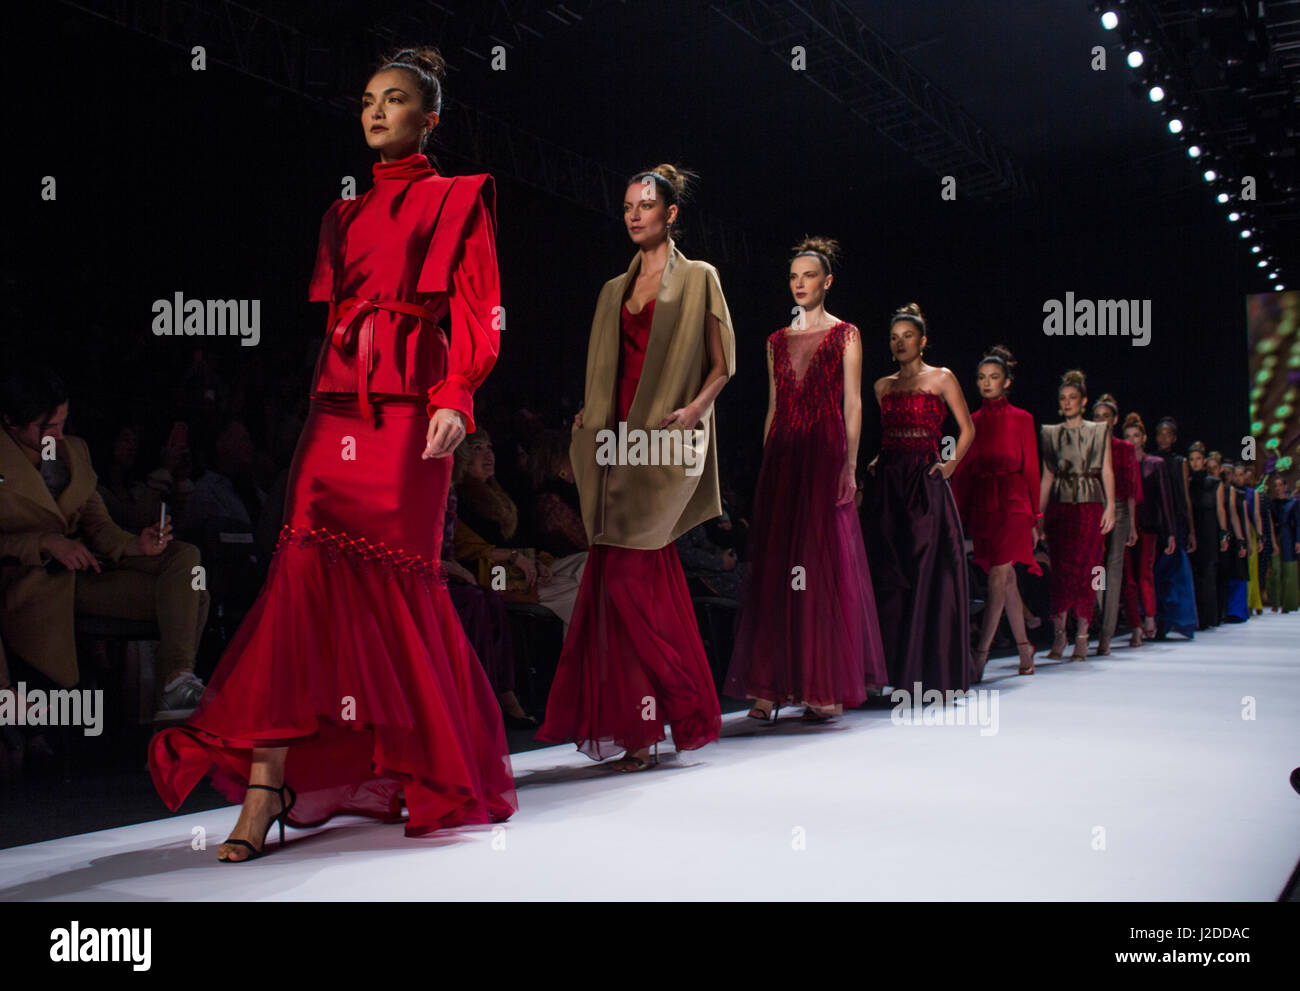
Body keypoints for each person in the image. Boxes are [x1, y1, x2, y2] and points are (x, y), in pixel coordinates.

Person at [148, 46, 518, 861]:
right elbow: (335, 328)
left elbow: (481, 311)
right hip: (335, 415)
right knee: (298, 589)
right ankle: (263, 788)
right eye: (367, 101)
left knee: (398, 588)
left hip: (413, 418)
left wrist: (457, 395)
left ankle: (419, 764)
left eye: (395, 100)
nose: (376, 112)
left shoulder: (460, 200)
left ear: (430, 118)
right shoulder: (342, 216)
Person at [537, 163, 733, 770]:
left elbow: (723, 365)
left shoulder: (700, 277)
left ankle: (678, 703)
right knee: (621, 577)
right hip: (613, 444)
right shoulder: (610, 290)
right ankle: (644, 729)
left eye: (644, 206)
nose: (633, 215)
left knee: (628, 577)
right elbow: (604, 373)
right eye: (626, 207)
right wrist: (586, 424)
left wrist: (694, 411)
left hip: (664, 439)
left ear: (670, 214)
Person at [725, 236, 887, 721]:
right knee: (777, 564)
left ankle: (821, 685)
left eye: (809, 275)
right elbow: (774, 408)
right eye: (794, 276)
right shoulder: (775, 340)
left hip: (824, 452)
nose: (799, 283)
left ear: (827, 281)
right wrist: (766, 464)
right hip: (785, 457)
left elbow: (853, 404)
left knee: (819, 566)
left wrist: (850, 467)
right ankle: (770, 686)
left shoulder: (847, 334)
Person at [1, 366, 210, 714]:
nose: (58, 434)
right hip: (34, 583)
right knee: (197, 600)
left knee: (186, 561)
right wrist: (46, 542)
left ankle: (176, 680)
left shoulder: (73, 452)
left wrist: (136, 545)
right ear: (11, 421)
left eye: (62, 424)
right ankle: (170, 718)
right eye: (47, 426)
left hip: (88, 571)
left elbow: (98, 523)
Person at [862, 303, 975, 692]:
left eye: (907, 336)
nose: (900, 343)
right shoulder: (882, 386)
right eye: (894, 338)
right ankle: (893, 672)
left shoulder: (942, 378)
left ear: (922, 341)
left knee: (929, 570)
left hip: (925, 480)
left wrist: (950, 465)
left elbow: (967, 428)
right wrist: (878, 458)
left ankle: (930, 671)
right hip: (890, 483)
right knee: (892, 574)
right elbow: (890, 433)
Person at [951, 345, 1040, 677]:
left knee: (998, 576)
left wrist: (1036, 516)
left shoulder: (1023, 419)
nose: (987, 383)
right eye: (982, 378)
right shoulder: (971, 423)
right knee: (1007, 580)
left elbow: (1031, 468)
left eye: (994, 378)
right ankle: (1024, 649)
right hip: (984, 507)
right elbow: (963, 473)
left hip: (1014, 504)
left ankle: (980, 654)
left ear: (1007, 382)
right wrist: (958, 516)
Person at [1038, 369, 1115, 660]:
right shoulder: (1050, 433)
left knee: (1089, 569)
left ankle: (1082, 637)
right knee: (1060, 572)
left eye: (1073, 398)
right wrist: (1039, 514)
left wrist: (1109, 506)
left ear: (1083, 400)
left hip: (1090, 504)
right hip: (1059, 505)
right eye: (1063, 398)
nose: (1068, 402)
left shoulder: (1099, 431)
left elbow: (1106, 469)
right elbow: (1047, 476)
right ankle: (1060, 637)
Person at [1091, 394, 1141, 654]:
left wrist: (1132, 523)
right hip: (1092, 508)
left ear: (1115, 419)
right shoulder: (1088, 443)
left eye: (1106, 416)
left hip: (1119, 510)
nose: (1101, 421)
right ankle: (1096, 622)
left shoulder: (1125, 448)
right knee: (1095, 569)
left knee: (1115, 569)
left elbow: (1131, 489)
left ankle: (1106, 636)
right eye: (1097, 416)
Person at [1120, 414, 1176, 646]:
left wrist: (1171, 531)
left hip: (1149, 526)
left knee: (1145, 574)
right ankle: (1135, 624)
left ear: (1143, 437)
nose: (1132, 440)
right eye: (1128, 437)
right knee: (1128, 579)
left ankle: (1150, 618)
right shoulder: (1121, 464)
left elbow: (1165, 498)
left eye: (1136, 436)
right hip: (1125, 526)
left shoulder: (1155, 463)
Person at [1152, 417, 1199, 637]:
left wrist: (1191, 530)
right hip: (1157, 519)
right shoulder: (1151, 461)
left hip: (1177, 520)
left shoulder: (1180, 462)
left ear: (1174, 437)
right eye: (1160, 433)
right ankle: (1159, 620)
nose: (1163, 437)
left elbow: (1186, 497)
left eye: (1167, 433)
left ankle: (1177, 619)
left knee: (1176, 570)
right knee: (1157, 570)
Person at [1186, 442, 1228, 630]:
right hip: (1192, 530)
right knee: (1193, 574)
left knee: (1208, 575)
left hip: (1210, 530)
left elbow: (1220, 510)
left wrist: (1224, 534)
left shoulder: (1215, 483)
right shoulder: (1186, 482)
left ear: (1204, 461)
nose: (1195, 463)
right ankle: (1195, 617)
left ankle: (1208, 618)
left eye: (1198, 459)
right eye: (1192, 459)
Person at [1265, 474, 1299, 612]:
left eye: (1280, 485)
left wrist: (1298, 540)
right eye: (1275, 486)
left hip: (1289, 538)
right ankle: (1275, 601)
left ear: (1286, 487)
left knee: (1289, 570)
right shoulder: (1272, 504)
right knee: (1275, 570)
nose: (1278, 488)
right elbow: (1270, 523)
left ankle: (1288, 603)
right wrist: (1273, 542)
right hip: (1275, 537)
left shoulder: (1294, 503)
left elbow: (1298, 523)